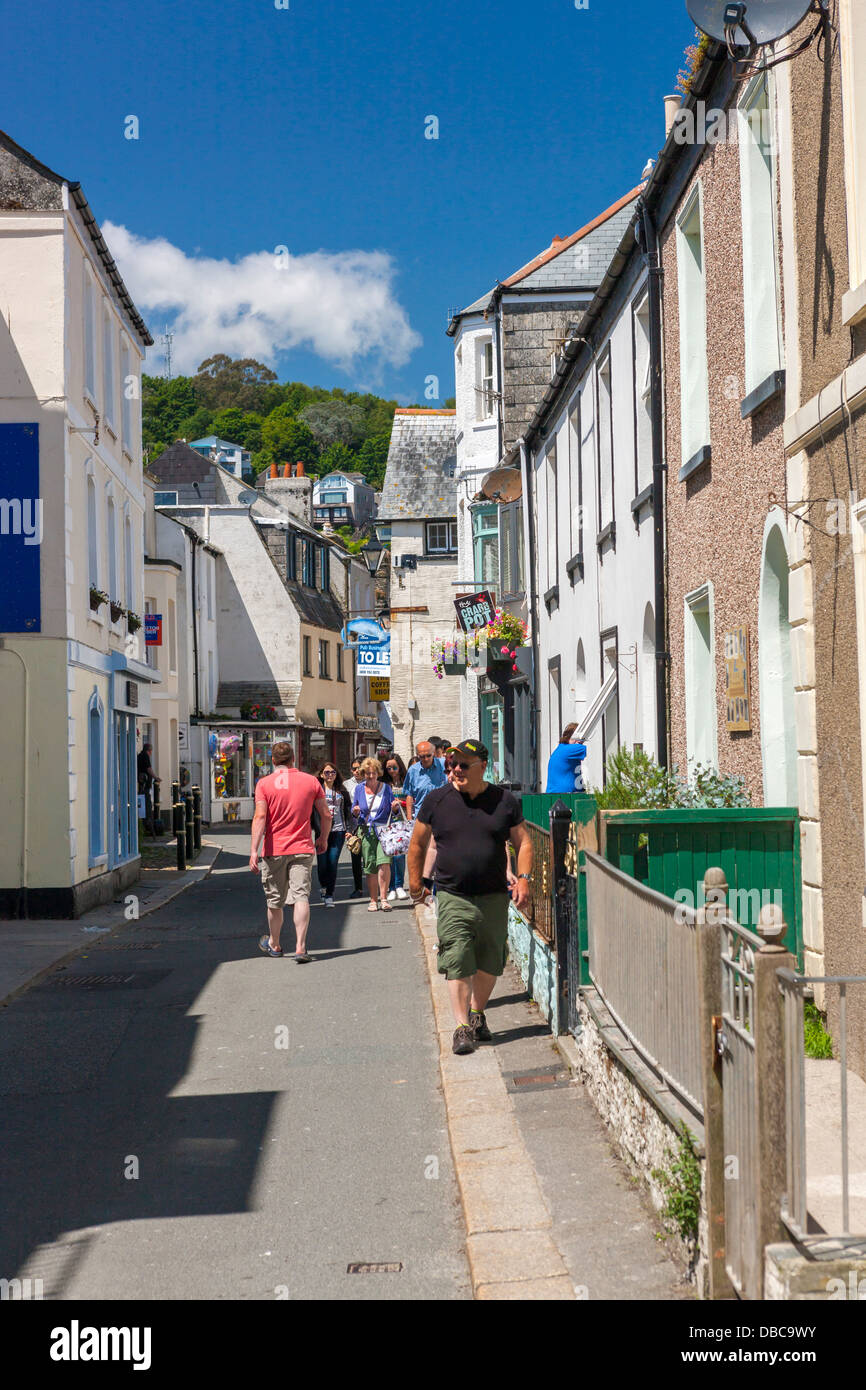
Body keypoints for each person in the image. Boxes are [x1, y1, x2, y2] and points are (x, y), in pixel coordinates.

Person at [407, 739, 532, 1055]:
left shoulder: (504, 801)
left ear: (482, 767)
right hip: (452, 894)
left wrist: (525, 879)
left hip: (493, 896)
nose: (456, 770)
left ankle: (477, 1014)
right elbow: (418, 844)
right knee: (458, 956)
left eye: (464, 764)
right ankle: (461, 1028)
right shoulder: (437, 800)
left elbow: (525, 843)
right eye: (452, 764)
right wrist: (414, 883)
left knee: (491, 959)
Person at [250, 741, 331, 961]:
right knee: (301, 896)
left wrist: (253, 851)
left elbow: (260, 817)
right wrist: (322, 838)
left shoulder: (264, 784)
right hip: (302, 848)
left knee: (275, 901)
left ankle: (275, 944)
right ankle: (300, 947)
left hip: (273, 849)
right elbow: (325, 814)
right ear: (293, 758)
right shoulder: (311, 781)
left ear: (273, 761)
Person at [404, 741, 448, 896]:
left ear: (434, 753)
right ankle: (423, 888)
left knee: (441, 852)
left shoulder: (444, 766)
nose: (425, 759)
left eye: (428, 756)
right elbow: (409, 794)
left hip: (444, 816)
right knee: (421, 853)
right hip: (422, 819)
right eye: (421, 757)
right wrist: (409, 818)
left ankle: (441, 886)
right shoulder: (413, 770)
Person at [351, 757, 395, 911]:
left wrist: (395, 806)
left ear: (378, 773)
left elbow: (393, 810)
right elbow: (354, 809)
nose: (370, 776)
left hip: (383, 830)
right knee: (370, 866)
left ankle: (384, 899)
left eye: (373, 773)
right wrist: (355, 811)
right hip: (366, 830)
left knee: (384, 863)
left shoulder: (386, 788)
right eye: (367, 773)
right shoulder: (359, 789)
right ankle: (372, 899)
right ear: (363, 774)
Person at [316, 763, 351, 906]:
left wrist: (349, 828)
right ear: (321, 775)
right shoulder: (317, 791)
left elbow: (348, 810)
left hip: (338, 830)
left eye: (333, 772)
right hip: (321, 831)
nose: (330, 775)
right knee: (322, 864)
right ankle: (324, 887)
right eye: (327, 772)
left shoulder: (342, 791)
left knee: (332, 862)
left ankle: (329, 894)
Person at [383, 753, 409, 900]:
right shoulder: (384, 785)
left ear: (399, 767)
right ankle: (391, 887)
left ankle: (399, 885)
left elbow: (413, 798)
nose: (392, 770)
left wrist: (402, 803)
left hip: (403, 822)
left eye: (394, 767)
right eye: (388, 768)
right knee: (390, 856)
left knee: (399, 856)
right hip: (389, 823)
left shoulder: (406, 781)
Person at [343, 756, 366, 897]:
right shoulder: (346, 784)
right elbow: (344, 807)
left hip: (369, 824)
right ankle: (358, 888)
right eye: (354, 768)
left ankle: (376, 886)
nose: (356, 771)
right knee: (355, 856)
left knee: (370, 859)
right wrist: (347, 829)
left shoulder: (371, 782)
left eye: (359, 768)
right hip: (353, 825)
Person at [545, 722, 588, 794]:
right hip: (561, 796)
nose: (579, 740)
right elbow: (585, 749)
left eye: (580, 738)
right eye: (576, 737)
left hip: (564, 795)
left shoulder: (563, 749)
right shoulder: (567, 750)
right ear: (568, 736)